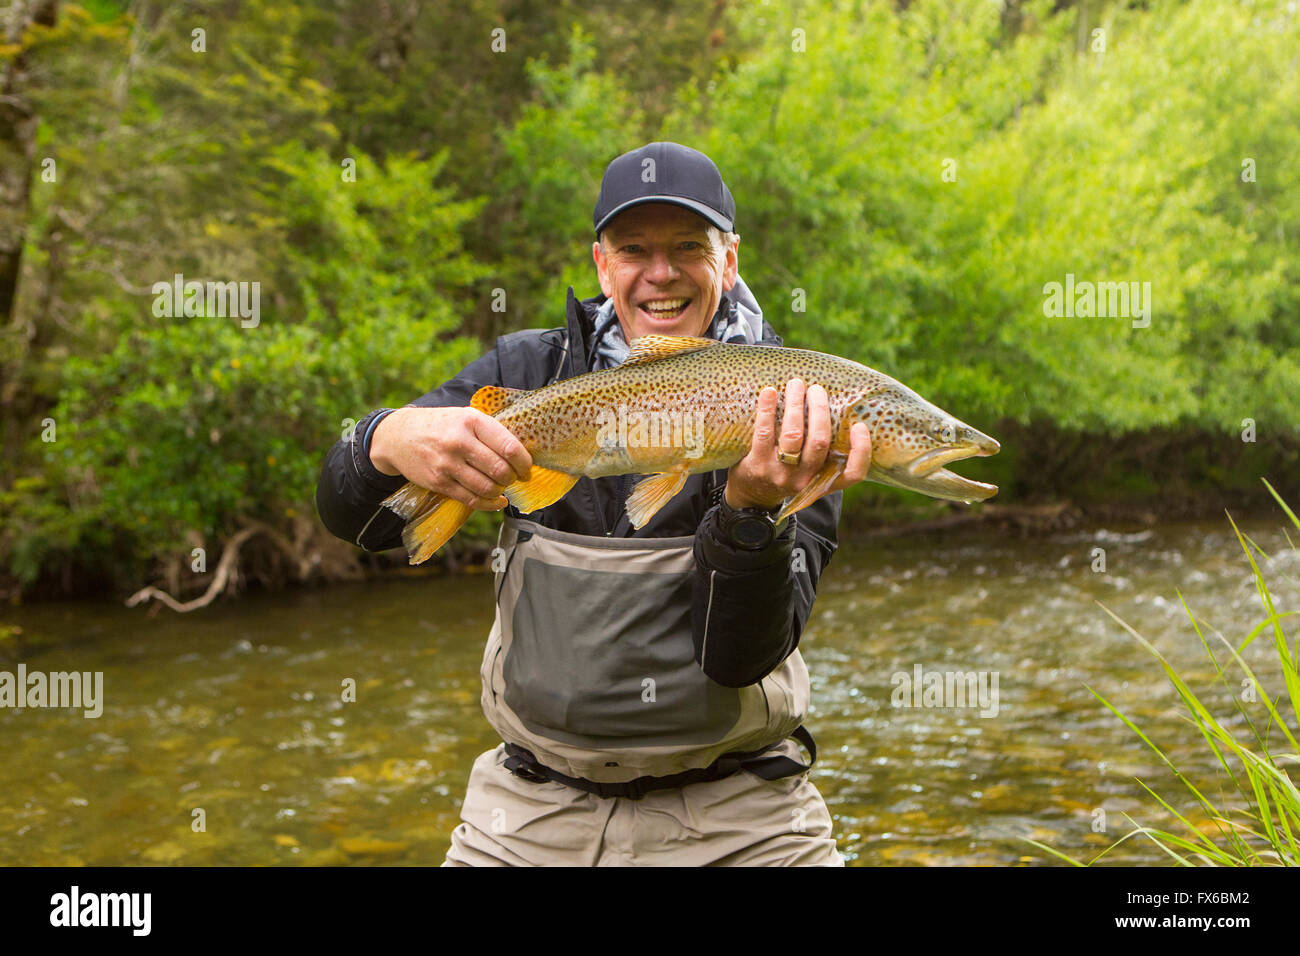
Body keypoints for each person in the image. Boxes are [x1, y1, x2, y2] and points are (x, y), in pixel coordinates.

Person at [315, 142, 871, 866]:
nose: (661, 273)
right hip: (530, 811)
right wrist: (384, 437)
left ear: (729, 260)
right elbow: (354, 522)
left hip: (741, 817)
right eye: (634, 249)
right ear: (601, 265)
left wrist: (750, 509)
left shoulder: (792, 410)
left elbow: (738, 659)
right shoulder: (528, 371)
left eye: (687, 248)